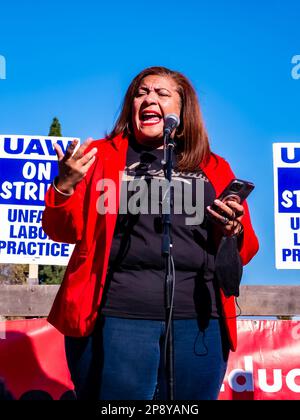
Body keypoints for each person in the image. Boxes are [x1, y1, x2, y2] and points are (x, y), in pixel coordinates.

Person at [42, 66, 259, 400]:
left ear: (183, 110)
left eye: (161, 93)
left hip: (199, 318)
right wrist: (65, 186)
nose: (149, 98)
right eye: (141, 93)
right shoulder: (99, 156)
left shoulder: (214, 166)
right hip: (118, 314)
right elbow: (60, 231)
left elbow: (244, 248)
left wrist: (232, 229)